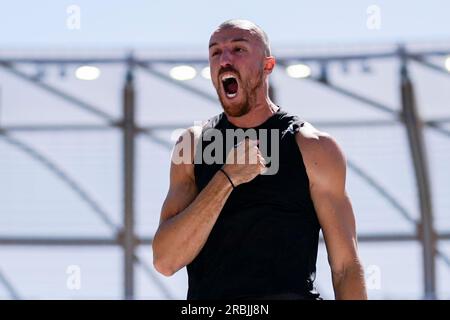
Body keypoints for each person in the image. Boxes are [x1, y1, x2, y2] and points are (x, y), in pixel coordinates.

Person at [152, 19, 367, 300]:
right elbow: (165, 260)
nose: (225, 59)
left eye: (238, 49)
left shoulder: (314, 147)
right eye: (215, 52)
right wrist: (227, 178)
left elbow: (345, 268)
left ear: (268, 66)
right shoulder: (192, 145)